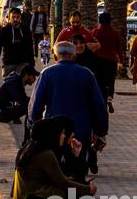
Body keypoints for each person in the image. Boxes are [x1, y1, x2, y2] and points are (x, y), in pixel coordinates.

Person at [28, 39, 109, 182]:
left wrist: (34, 126)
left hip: (54, 133)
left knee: (55, 172)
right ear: (74, 56)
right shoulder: (87, 74)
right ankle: (74, 194)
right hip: (81, 133)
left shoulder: (47, 74)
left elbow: (36, 105)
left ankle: (58, 195)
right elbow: (99, 106)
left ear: (55, 56)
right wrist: (101, 132)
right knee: (77, 172)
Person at [10, 116, 97, 199]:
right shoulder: (46, 154)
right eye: (62, 132)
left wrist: (75, 156)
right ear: (53, 134)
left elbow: (67, 176)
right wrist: (88, 189)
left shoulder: (29, 150)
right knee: (77, 196)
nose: (64, 135)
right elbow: (62, 181)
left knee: (77, 193)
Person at [91, 12, 123, 113]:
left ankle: (101, 100)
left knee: (99, 82)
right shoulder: (115, 33)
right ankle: (109, 97)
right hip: (111, 61)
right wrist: (121, 61)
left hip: (97, 61)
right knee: (110, 81)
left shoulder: (95, 32)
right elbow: (119, 49)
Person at [0, 7, 34, 77]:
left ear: (20, 17)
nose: (15, 19)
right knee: (8, 83)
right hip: (8, 64)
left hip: (23, 64)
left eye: (17, 17)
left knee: (20, 83)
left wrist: (32, 66)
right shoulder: (4, 31)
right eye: (13, 17)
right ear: (10, 18)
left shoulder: (26, 31)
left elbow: (30, 48)